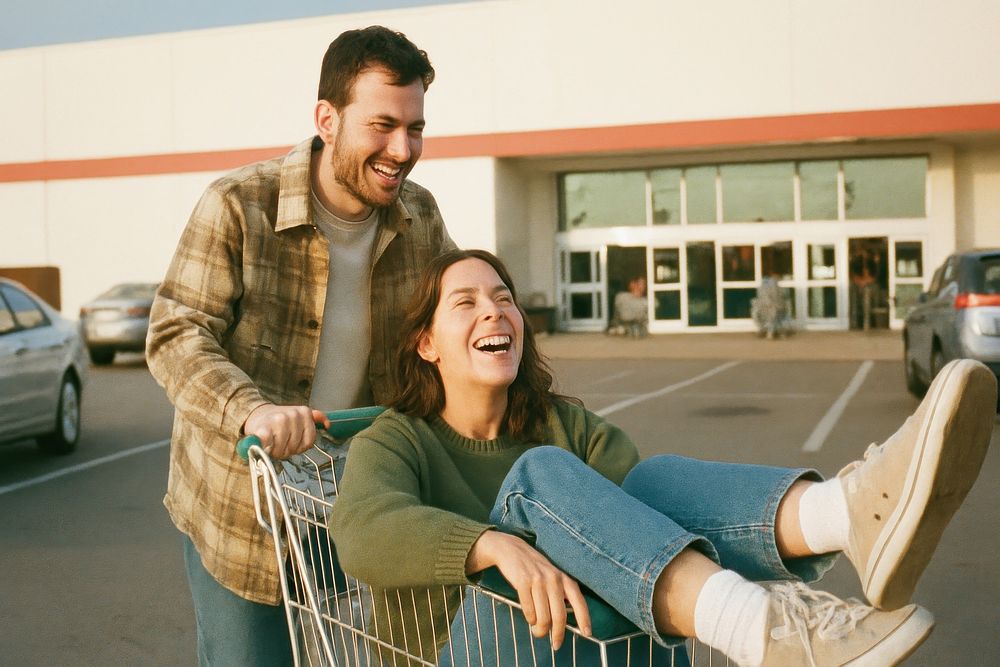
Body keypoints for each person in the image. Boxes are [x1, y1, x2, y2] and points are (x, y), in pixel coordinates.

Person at [330, 249, 997, 666]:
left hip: (580, 642)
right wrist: (494, 546)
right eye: (467, 302)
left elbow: (648, 524)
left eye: (504, 297)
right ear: (426, 343)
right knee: (541, 475)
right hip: (464, 652)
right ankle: (763, 624)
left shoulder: (563, 424)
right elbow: (359, 531)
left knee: (646, 480)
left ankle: (844, 512)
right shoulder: (401, 436)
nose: (494, 312)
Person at [145, 26, 455, 665]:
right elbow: (177, 333)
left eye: (416, 127)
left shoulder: (420, 218)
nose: (403, 149)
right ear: (328, 119)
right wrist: (251, 411)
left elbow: (452, 323)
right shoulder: (238, 205)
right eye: (383, 125)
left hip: (357, 497)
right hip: (243, 509)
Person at [751, 272, 791, 339]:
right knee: (771, 312)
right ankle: (769, 330)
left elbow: (784, 298)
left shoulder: (778, 290)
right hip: (768, 308)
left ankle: (770, 331)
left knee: (773, 312)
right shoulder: (768, 289)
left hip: (773, 309)